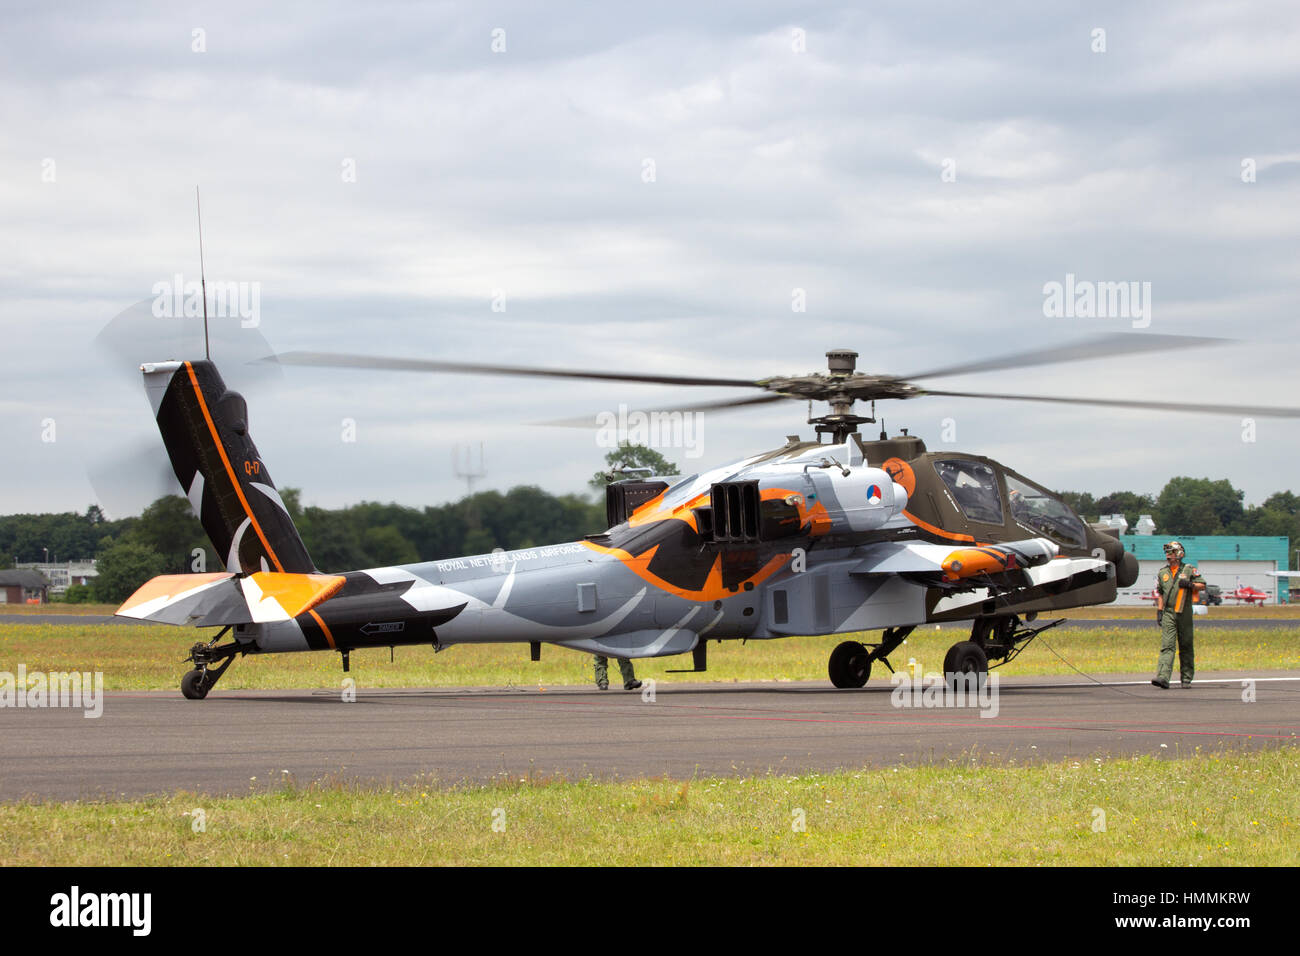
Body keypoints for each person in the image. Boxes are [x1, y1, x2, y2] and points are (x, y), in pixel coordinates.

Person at [1151, 540, 1204, 689]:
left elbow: (1202, 584)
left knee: (1186, 644)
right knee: (1167, 645)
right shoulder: (1163, 573)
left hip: (1184, 612)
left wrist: (1191, 585)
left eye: (1171, 552)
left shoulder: (1189, 569)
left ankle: (1186, 678)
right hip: (1168, 612)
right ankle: (1163, 677)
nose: (1168, 555)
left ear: (1179, 554)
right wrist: (1159, 611)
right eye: (1167, 552)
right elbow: (1160, 593)